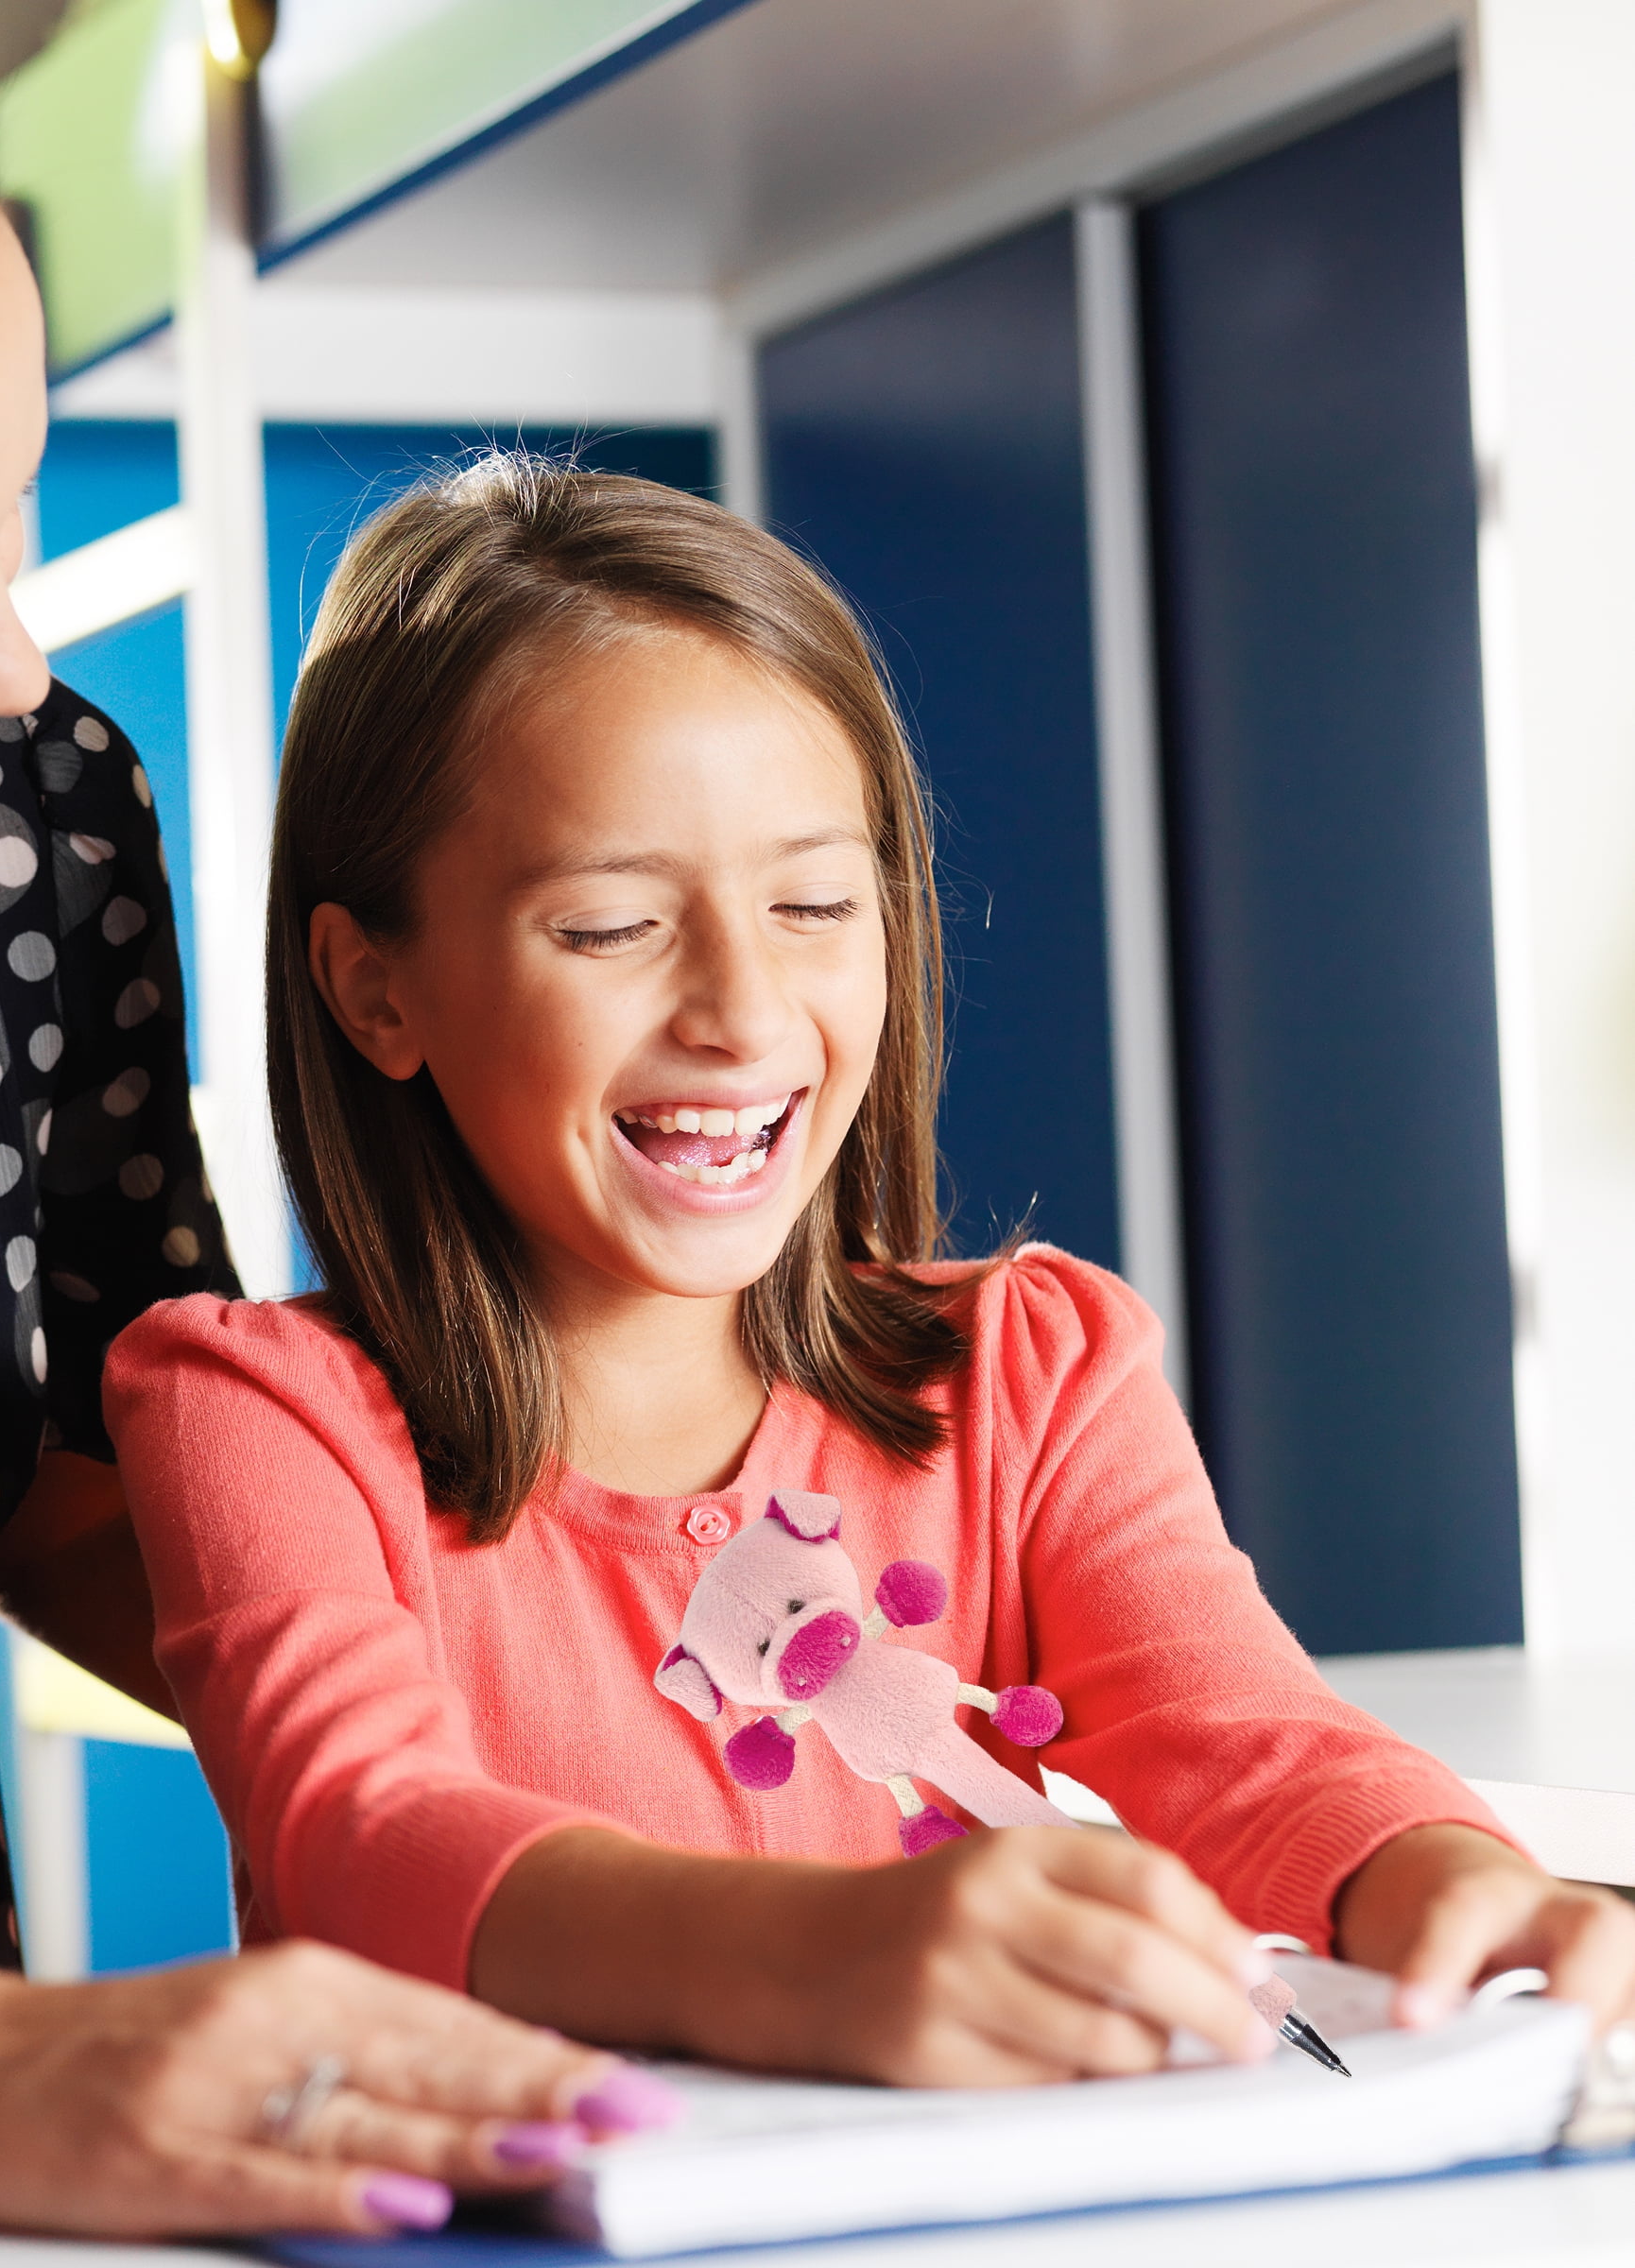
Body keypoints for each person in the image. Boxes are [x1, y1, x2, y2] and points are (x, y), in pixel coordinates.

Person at [107, 455, 1635, 2087]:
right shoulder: (257, 1414)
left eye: (817, 903)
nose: (746, 1014)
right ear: (373, 990)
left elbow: (1239, 1734)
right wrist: (821, 1951)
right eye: (614, 928)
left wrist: (1440, 1873)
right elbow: (362, 1833)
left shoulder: (1031, 1370)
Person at [0, 2, 665, 2236]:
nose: (12, 667)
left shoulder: (14, 833)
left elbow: (106, 1483)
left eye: (11, 523)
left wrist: (632, 1772)